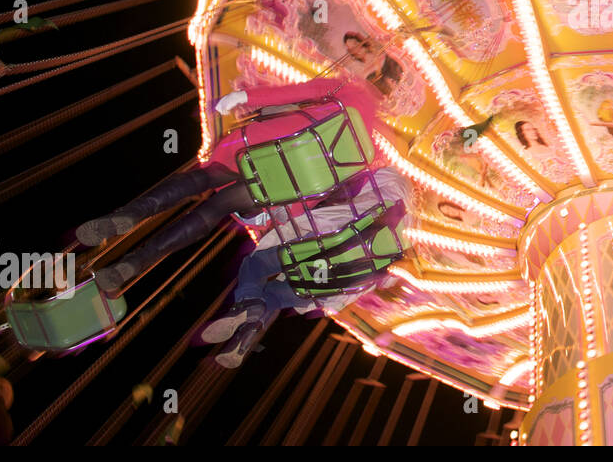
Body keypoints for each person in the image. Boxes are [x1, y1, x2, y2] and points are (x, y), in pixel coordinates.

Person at [78, 75, 385, 296]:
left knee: (201, 179)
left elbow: (294, 92)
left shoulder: (347, 85)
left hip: (264, 148)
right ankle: (134, 264)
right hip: (278, 189)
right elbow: (322, 188)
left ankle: (131, 215)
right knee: (216, 208)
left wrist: (245, 97)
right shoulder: (368, 151)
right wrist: (283, 210)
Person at [202, 166, 411, 367]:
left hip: (323, 245)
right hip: (333, 283)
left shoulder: (381, 186)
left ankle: (247, 304)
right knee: (275, 296)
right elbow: (389, 278)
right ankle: (249, 330)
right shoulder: (409, 235)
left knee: (255, 264)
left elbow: (334, 194)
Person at [343, 31, 402, 97]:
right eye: (352, 48)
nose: (357, 49)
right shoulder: (367, 76)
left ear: (361, 42)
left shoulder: (385, 55)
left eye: (356, 43)